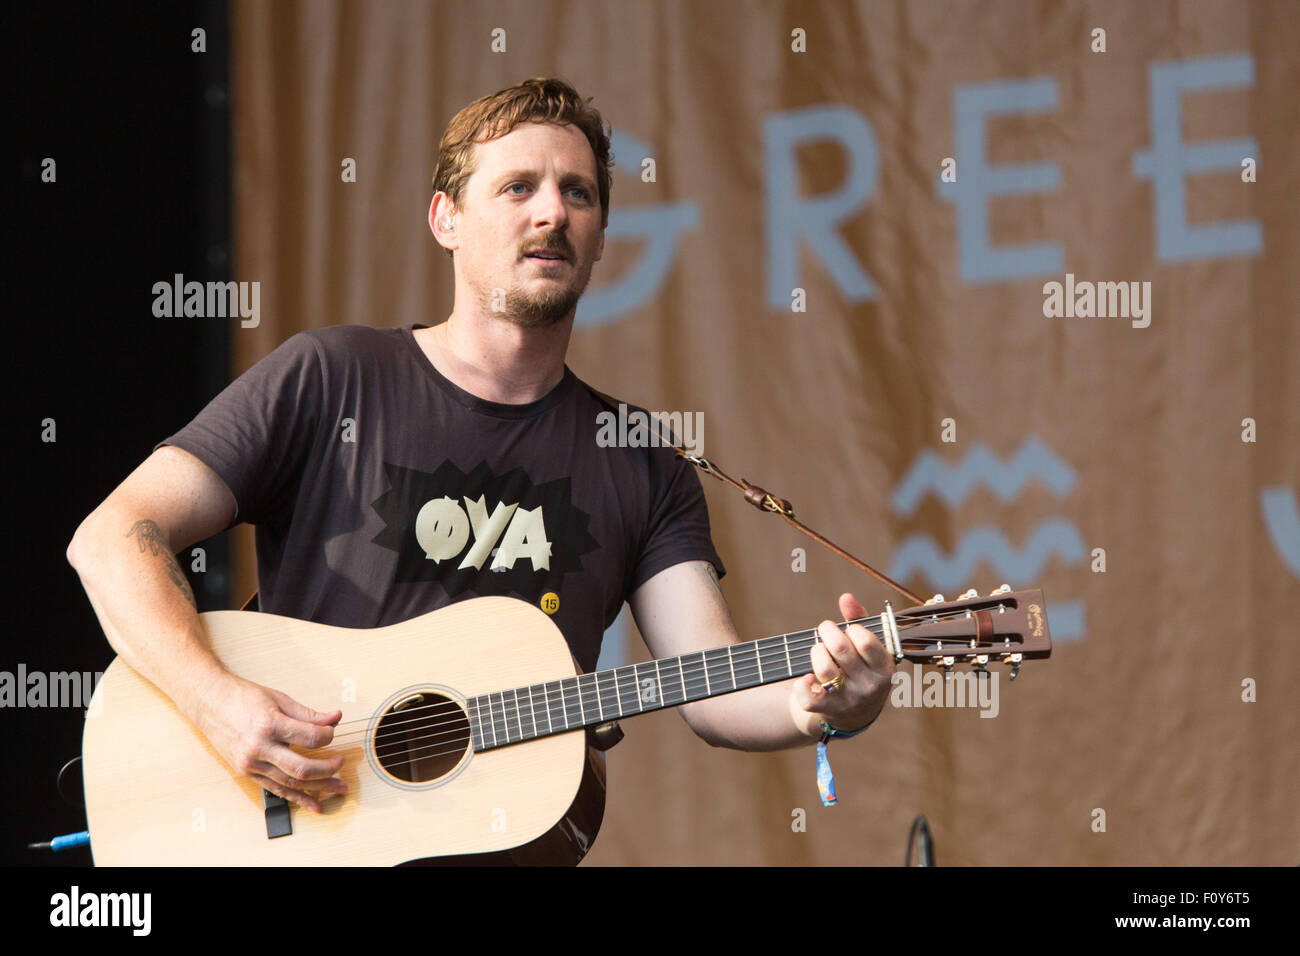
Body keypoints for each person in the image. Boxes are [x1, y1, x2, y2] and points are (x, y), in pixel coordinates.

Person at [67, 77, 893, 818]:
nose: (551, 212)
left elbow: (711, 687)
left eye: (578, 193)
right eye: (518, 187)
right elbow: (112, 539)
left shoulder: (642, 460)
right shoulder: (331, 378)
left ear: (601, 237)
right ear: (446, 219)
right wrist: (215, 701)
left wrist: (825, 705)